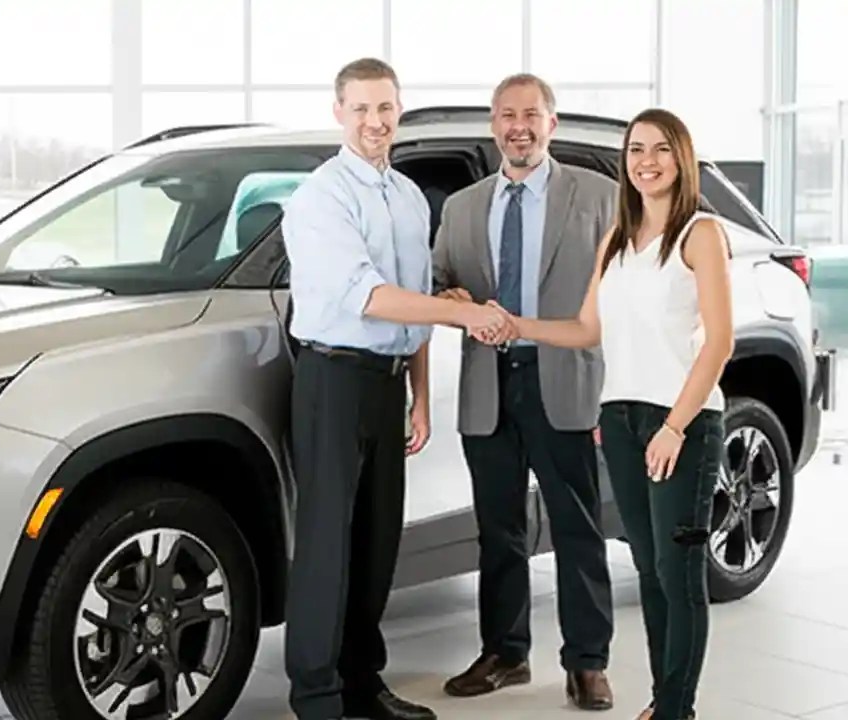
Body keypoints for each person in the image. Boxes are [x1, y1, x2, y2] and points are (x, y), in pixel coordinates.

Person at [281, 57, 508, 720]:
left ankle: (362, 684)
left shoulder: (408, 197)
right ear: (339, 113)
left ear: (398, 109)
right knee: (327, 545)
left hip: (385, 386)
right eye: (361, 109)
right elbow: (371, 298)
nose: (375, 122)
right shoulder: (321, 197)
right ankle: (317, 698)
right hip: (332, 379)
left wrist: (418, 393)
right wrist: (461, 313)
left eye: (385, 108)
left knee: (377, 542)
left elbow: (416, 301)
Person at [505, 108, 733, 720]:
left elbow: (718, 343)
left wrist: (675, 426)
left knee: (678, 572)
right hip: (624, 420)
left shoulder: (700, 234)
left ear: (681, 159)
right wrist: (512, 325)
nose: (647, 161)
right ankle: (667, 701)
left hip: (680, 423)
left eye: (660, 149)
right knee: (650, 569)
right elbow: (586, 328)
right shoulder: (617, 239)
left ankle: (674, 708)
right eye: (636, 150)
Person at [430, 73, 618, 710]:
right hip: (488, 386)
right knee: (499, 528)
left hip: (565, 380)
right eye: (507, 115)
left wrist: (615, 395)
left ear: (551, 123)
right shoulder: (461, 207)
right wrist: (450, 298)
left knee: (576, 525)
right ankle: (505, 653)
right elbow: (439, 284)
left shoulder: (600, 197)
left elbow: (627, 302)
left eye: (531, 114)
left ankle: (587, 662)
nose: (519, 126)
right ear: (494, 124)